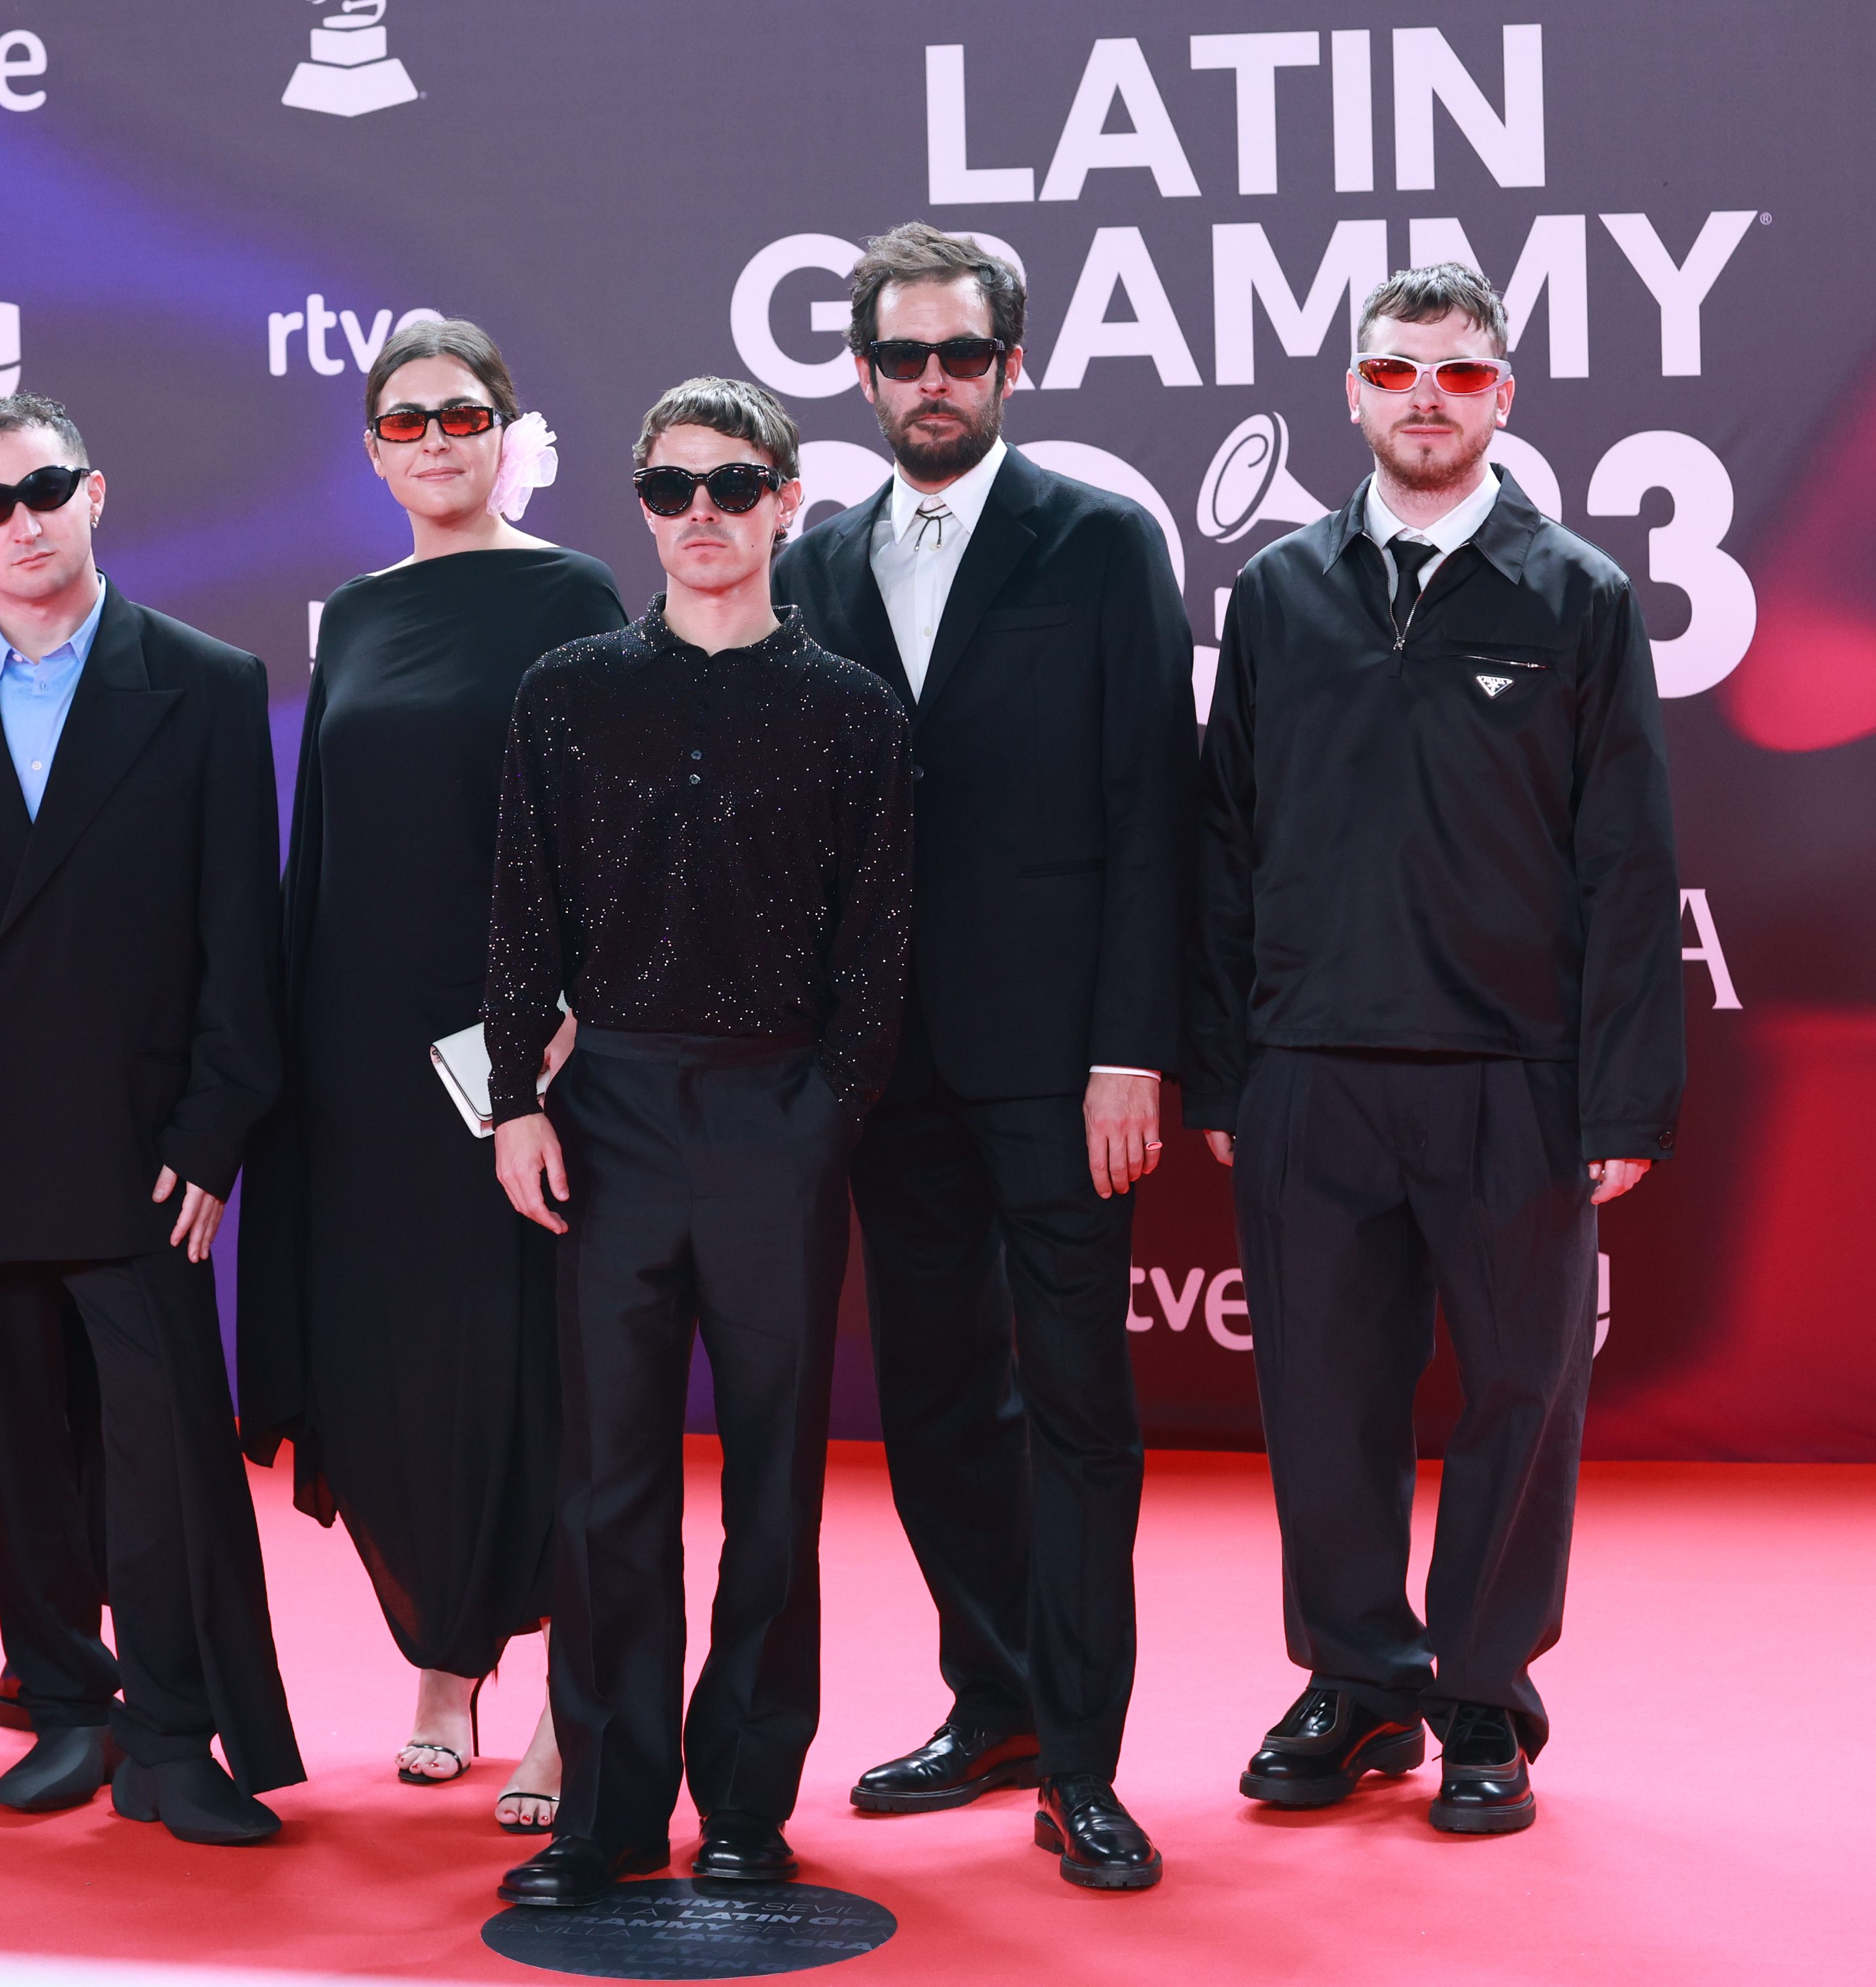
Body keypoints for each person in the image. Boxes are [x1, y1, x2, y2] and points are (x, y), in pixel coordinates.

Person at [1189, 264, 1682, 1837]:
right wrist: (1222, 1070)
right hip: (1309, 1073)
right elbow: (1220, 849)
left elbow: (1625, 862)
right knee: (1323, 1399)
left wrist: (1623, 1092)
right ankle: (1355, 1682)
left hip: (1512, 1080)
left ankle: (1481, 1698)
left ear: (1502, 399)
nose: (1424, 400)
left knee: (1520, 1393)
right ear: (1351, 387)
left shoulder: (1577, 597)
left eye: (1458, 377)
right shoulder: (1276, 594)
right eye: (1397, 372)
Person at [0, 391, 305, 1843]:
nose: (19, 525)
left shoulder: (204, 684)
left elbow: (240, 937)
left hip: (142, 1149)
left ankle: (170, 1732)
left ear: (97, 494)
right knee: (16, 1449)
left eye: (44, 493)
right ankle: (70, 1707)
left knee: (164, 1457)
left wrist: (215, 1131)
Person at [775, 223, 1195, 1891]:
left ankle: (1085, 1764)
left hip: (1059, 1062)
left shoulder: (1097, 543)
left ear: (1011, 366)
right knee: (939, 1402)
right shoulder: (813, 561)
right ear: (865, 376)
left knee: (1078, 1406)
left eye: (961, 354)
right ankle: (996, 1699)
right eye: (901, 358)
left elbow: (1152, 808)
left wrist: (1129, 1050)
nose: (930, 383)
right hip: (885, 1069)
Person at [487, 378, 912, 1910]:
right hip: (602, 1119)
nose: (705, 517)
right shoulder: (567, 691)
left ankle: (745, 1801)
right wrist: (514, 1106)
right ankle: (601, 1809)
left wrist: (822, 1117)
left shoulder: (854, 710)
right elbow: (517, 918)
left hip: (773, 1119)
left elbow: (878, 952)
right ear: (643, 508)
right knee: (606, 1483)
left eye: (736, 485)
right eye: (674, 490)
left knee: (774, 1489)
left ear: (789, 498)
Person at [236, 318, 623, 1833]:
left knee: (531, 1362)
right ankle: (442, 1662)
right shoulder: (360, 617)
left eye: (463, 414)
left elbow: (598, 810)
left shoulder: (569, 591)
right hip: (358, 1052)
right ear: (375, 448)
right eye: (406, 422)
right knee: (388, 1363)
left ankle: (555, 1707)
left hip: (512, 1046)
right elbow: (321, 838)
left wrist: (571, 1005)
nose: (437, 440)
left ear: (508, 431)